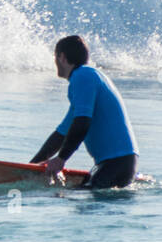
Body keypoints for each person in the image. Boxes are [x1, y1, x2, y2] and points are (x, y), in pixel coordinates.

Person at [29, 35, 138, 188]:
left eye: (55, 57)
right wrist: (32, 166)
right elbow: (62, 134)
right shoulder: (88, 76)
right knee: (74, 191)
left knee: (70, 195)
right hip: (116, 164)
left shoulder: (82, 77)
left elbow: (82, 123)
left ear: (62, 57)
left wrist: (61, 159)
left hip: (116, 164)